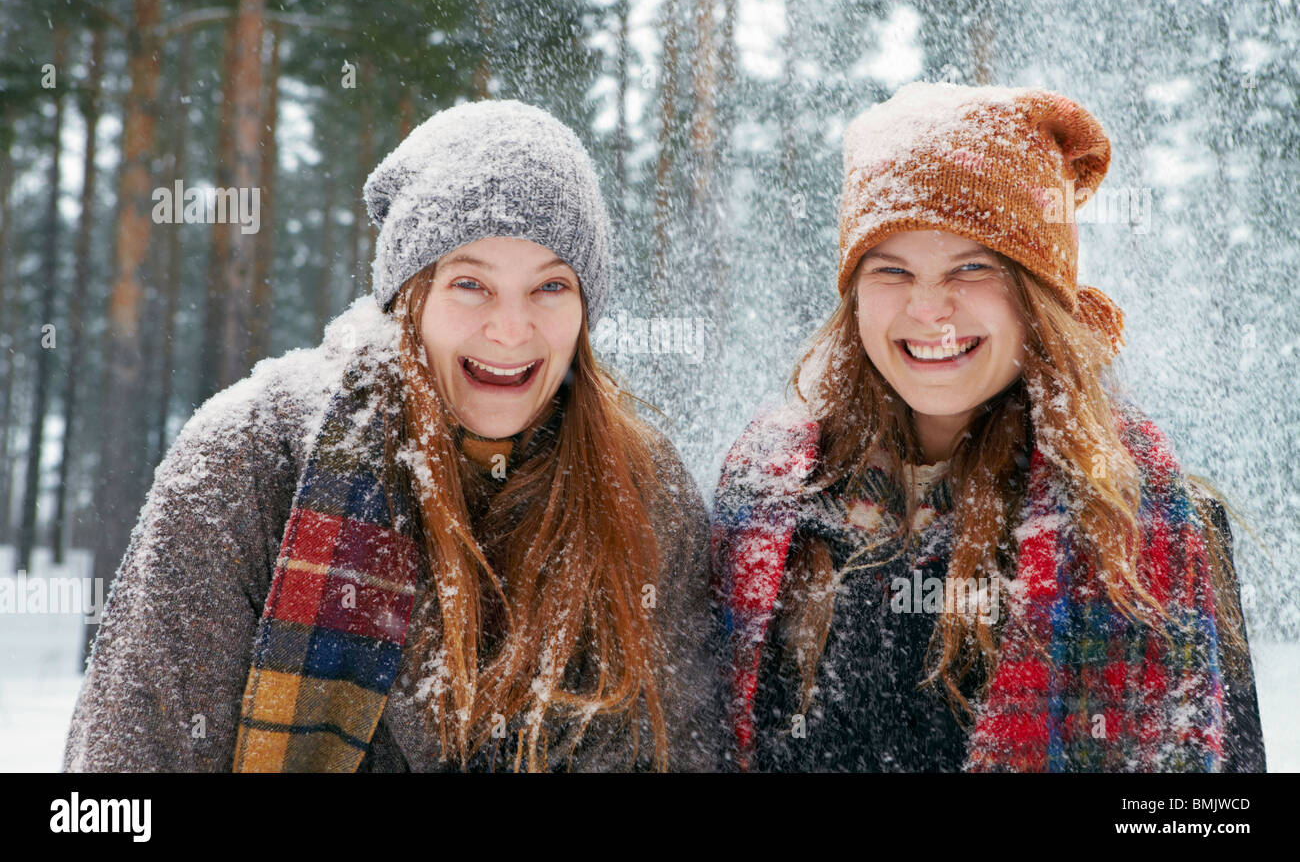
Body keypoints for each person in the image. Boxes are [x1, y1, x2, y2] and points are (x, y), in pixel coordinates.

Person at [64, 100, 727, 772]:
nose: (510, 328)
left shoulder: (645, 493)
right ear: (410, 297)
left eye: (550, 286)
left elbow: (684, 749)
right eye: (470, 283)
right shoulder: (251, 460)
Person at [710, 82, 1266, 772]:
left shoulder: (1146, 526)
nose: (930, 309)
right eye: (893, 270)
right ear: (853, 297)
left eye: (972, 267)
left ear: (1037, 297)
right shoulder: (767, 507)